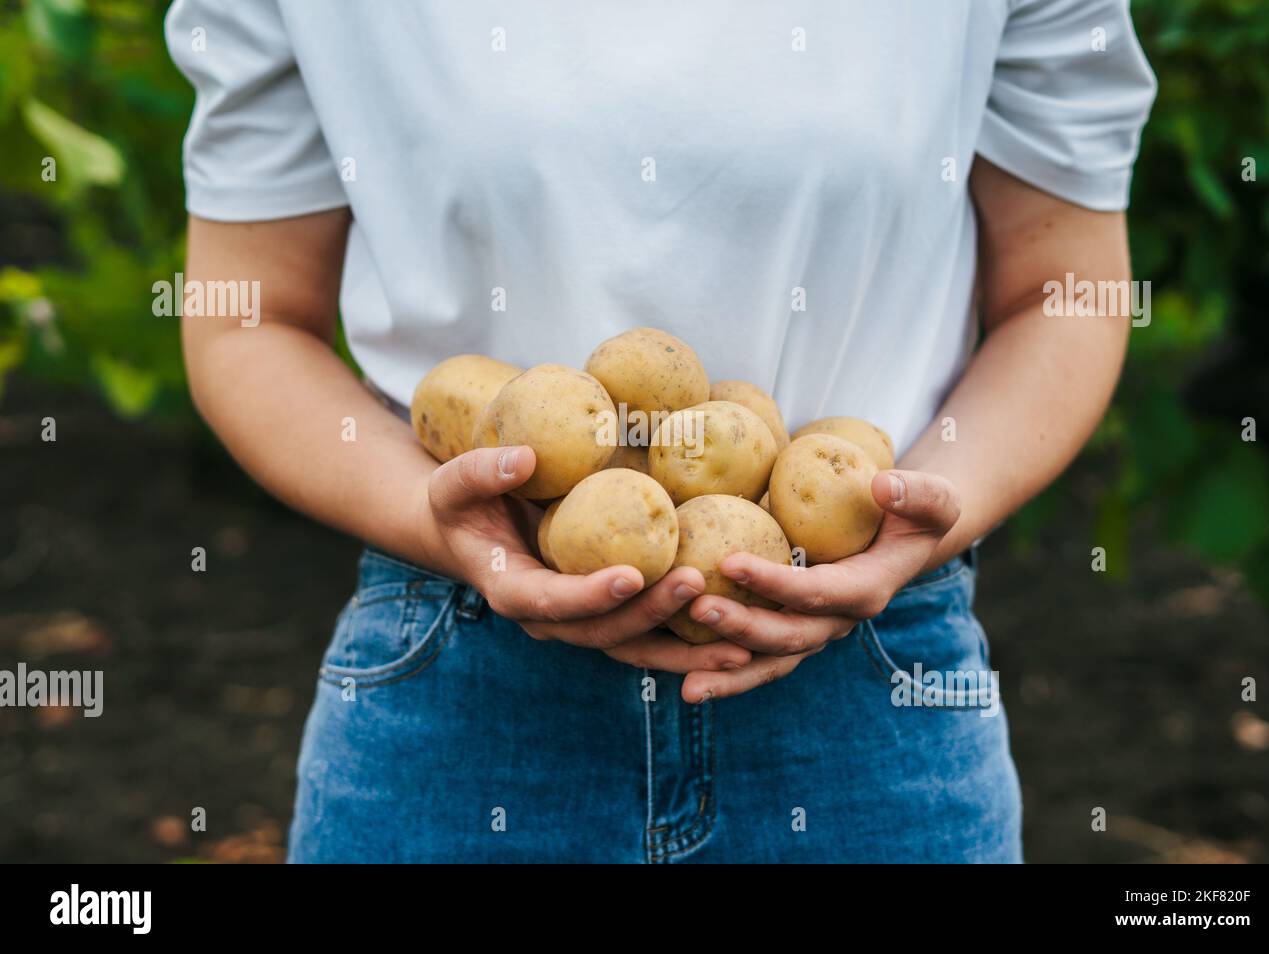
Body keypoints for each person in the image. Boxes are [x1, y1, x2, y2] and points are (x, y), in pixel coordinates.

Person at [165, 0, 1155, 862]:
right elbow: (246, 316)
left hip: (873, 673)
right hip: (457, 668)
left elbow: (1061, 292)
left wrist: (933, 505)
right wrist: (441, 527)